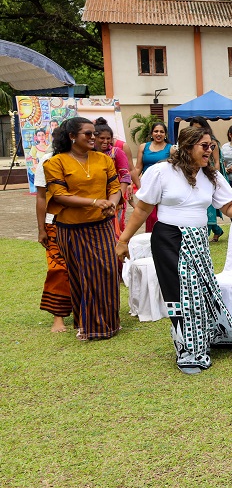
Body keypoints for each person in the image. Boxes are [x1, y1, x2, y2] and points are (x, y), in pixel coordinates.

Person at [117, 127, 232, 374]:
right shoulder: (161, 172)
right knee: (180, 294)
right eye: (204, 146)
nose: (209, 151)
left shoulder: (211, 176)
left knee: (203, 290)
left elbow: (227, 206)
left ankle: (207, 339)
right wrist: (124, 240)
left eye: (211, 146)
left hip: (197, 239)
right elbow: (142, 209)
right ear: (187, 147)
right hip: (168, 239)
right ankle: (188, 351)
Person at [43, 117, 122, 341]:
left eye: (94, 134)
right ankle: (87, 324)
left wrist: (112, 204)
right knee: (81, 276)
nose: (93, 138)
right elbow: (59, 195)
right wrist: (95, 202)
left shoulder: (103, 159)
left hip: (101, 226)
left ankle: (107, 324)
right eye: (88, 134)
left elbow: (114, 187)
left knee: (106, 273)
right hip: (71, 229)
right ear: (71, 137)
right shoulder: (55, 162)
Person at [35, 151, 72, 333]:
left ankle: (84, 313)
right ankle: (58, 317)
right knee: (58, 269)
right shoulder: (48, 159)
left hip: (85, 223)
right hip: (54, 223)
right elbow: (41, 196)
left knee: (83, 268)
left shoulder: (92, 157)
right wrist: (41, 228)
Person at [93, 118, 133, 235]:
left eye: (108, 138)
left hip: (115, 197)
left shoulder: (117, 152)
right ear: (94, 138)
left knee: (115, 229)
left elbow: (125, 175)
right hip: (95, 197)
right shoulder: (89, 154)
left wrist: (119, 198)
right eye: (102, 138)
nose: (105, 141)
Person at [135, 121, 170, 232]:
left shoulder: (171, 149)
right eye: (156, 131)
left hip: (164, 186)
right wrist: (131, 183)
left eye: (161, 132)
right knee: (149, 215)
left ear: (165, 135)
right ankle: (150, 238)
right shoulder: (143, 147)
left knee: (161, 215)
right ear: (151, 133)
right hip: (147, 186)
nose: (158, 134)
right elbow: (138, 168)